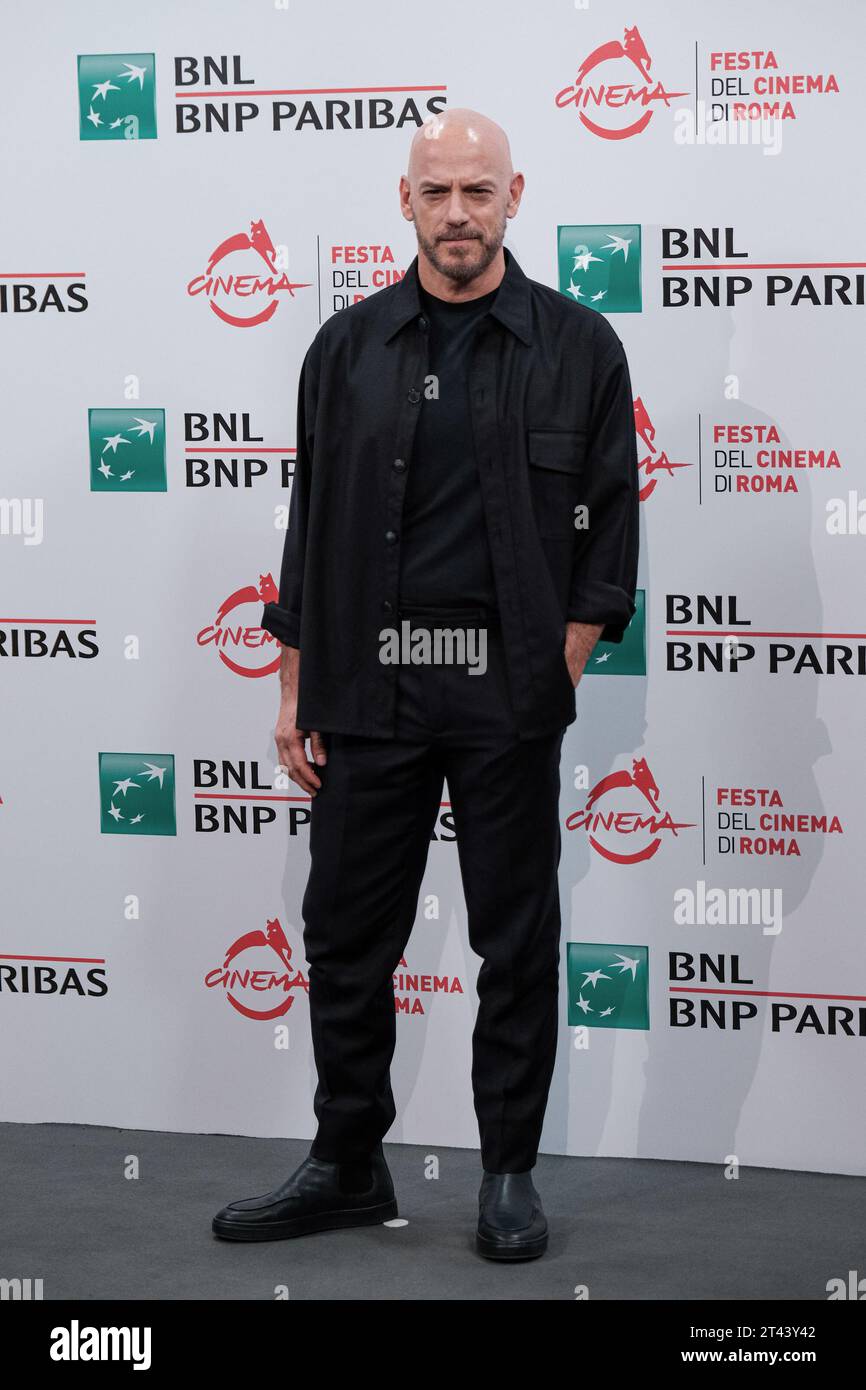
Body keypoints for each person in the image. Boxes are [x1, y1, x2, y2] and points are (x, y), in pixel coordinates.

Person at [213, 108, 639, 1261]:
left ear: (515, 197)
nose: (458, 212)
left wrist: (548, 671)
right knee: (346, 936)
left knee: (515, 937)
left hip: (503, 691)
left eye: (478, 191)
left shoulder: (580, 348)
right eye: (437, 192)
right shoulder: (344, 350)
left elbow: (605, 545)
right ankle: (347, 1164)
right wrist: (295, 684)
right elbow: (309, 531)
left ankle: (506, 1174)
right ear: (403, 202)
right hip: (367, 683)